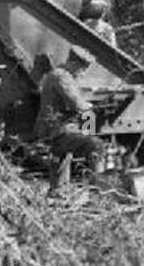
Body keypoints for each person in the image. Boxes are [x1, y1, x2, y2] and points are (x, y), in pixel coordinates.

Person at [35, 47, 103, 187]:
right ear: (74, 64)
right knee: (96, 145)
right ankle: (98, 187)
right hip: (57, 129)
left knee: (62, 164)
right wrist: (91, 108)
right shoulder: (62, 77)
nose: (83, 73)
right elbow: (76, 104)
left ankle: (58, 191)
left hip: (56, 127)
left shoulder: (59, 75)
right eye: (82, 69)